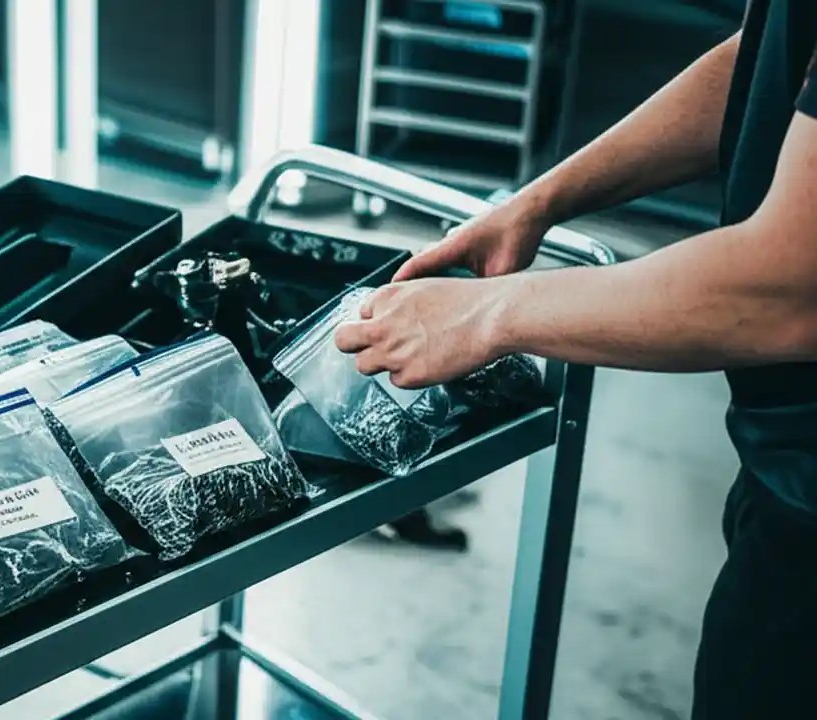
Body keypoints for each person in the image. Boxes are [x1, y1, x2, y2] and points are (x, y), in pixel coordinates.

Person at [334, 3, 817, 718]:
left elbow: (788, 294)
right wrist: (538, 202)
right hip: (783, 471)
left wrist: (491, 313)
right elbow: (769, 61)